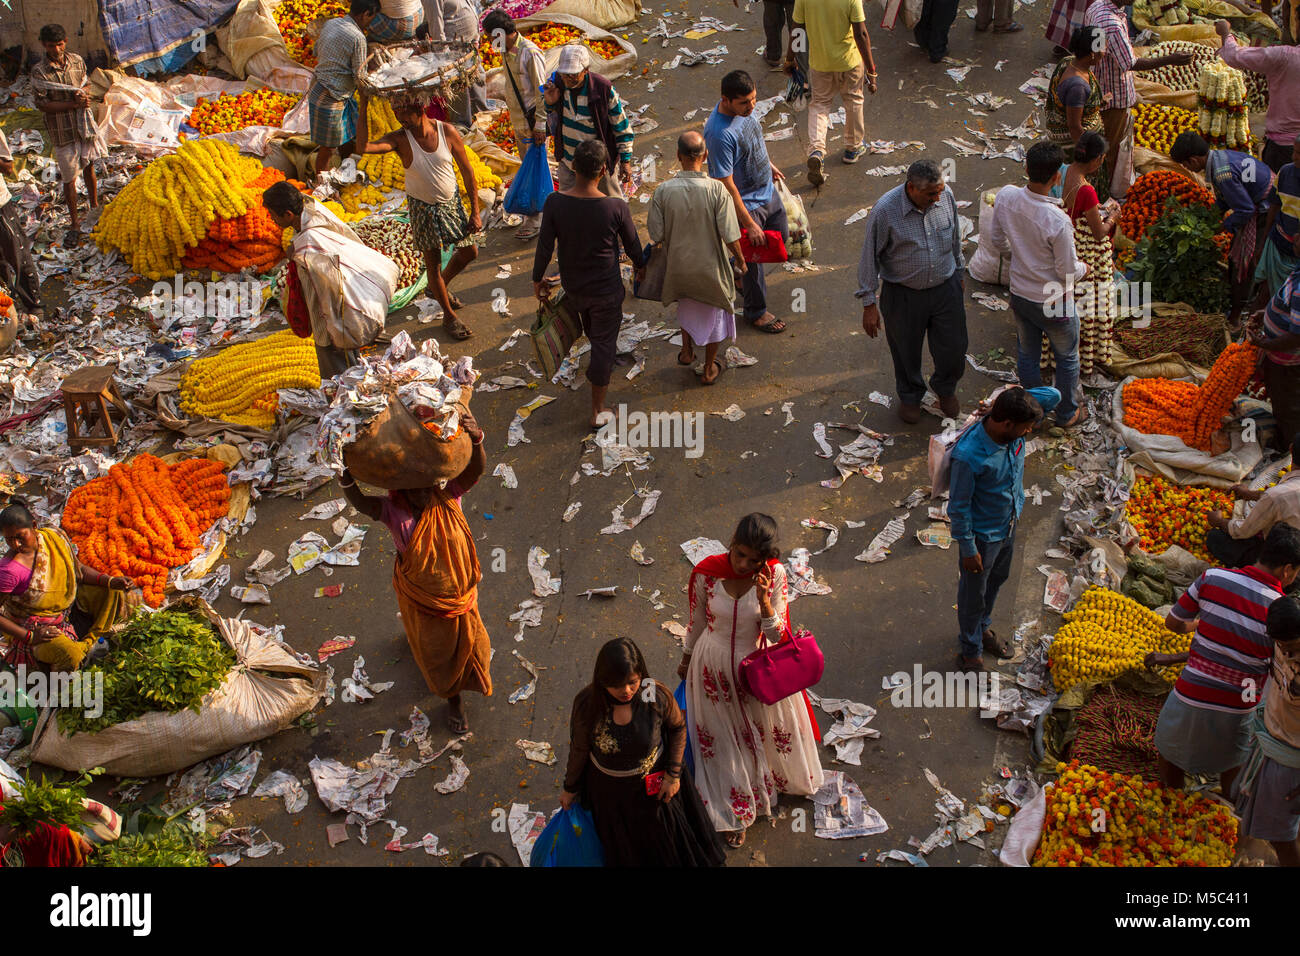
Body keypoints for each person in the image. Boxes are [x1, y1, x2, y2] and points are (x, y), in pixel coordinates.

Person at [339, 408, 491, 733]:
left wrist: (476, 438)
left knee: (474, 645)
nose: (423, 492)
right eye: (415, 488)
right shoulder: (394, 512)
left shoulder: (448, 496)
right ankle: (453, 700)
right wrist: (344, 475)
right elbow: (363, 504)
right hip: (425, 600)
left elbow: (475, 470)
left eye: (427, 485)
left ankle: (460, 687)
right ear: (401, 488)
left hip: (461, 595)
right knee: (437, 655)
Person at [676, 515, 823, 847]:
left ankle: (766, 785)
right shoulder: (707, 573)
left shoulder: (775, 575)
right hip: (711, 669)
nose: (743, 564)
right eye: (739, 554)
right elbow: (696, 621)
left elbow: (779, 635)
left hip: (756, 671)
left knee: (758, 734)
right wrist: (686, 659)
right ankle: (736, 810)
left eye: (752, 560)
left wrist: (764, 602)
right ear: (732, 543)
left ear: (764, 558)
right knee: (723, 742)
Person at [1145, 522, 1300, 795]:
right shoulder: (1281, 610)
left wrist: (1200, 624)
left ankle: (1172, 798)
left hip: (1191, 693)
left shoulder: (1213, 578)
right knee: (1234, 761)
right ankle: (1230, 803)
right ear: (1287, 570)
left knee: (1170, 752)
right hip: (1240, 703)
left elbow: (1173, 623)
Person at [561, 638, 725, 866]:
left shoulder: (653, 695)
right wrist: (570, 788)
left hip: (655, 795)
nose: (626, 691)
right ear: (602, 681)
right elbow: (579, 749)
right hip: (611, 798)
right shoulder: (589, 704)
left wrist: (673, 775)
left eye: (632, 682)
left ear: (641, 675)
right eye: (617, 685)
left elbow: (677, 728)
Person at [532, 139, 645, 428]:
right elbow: (633, 246)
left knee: (596, 333)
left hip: (575, 288)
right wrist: (642, 267)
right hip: (606, 291)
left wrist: (537, 279)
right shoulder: (615, 206)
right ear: (604, 170)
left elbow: (544, 246)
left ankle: (599, 363)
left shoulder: (555, 202)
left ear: (573, 167)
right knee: (604, 345)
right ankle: (597, 411)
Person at [949, 387, 1062, 669]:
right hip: (982, 539)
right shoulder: (969, 456)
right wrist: (968, 549)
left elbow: (1053, 395)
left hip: (1008, 524)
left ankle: (982, 628)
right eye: (1026, 427)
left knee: (997, 580)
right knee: (973, 595)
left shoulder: (1012, 430)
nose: (1029, 431)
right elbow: (958, 507)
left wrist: (996, 404)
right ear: (1008, 424)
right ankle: (971, 650)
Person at [357, 96, 481, 341]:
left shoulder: (447, 132)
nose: (400, 118)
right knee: (432, 264)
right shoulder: (400, 139)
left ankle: (437, 288)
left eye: (404, 112)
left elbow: (468, 173)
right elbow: (364, 147)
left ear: (420, 108)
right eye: (396, 112)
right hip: (422, 209)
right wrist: (363, 105)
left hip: (451, 204)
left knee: (470, 252)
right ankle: (448, 317)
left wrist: (475, 211)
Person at [857, 159, 967, 423]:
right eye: (930, 194)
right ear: (911, 188)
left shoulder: (946, 196)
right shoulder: (885, 210)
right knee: (905, 351)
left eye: (939, 191)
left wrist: (959, 272)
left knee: (954, 347)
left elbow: (955, 238)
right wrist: (869, 303)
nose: (937, 198)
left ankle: (945, 389)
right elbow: (869, 256)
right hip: (903, 294)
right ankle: (910, 396)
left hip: (946, 287)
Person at [988, 141, 1088, 429]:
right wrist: (1085, 268)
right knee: (1067, 358)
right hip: (1054, 301)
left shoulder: (1006, 196)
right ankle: (1067, 414)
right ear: (1057, 177)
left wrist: (1020, 258)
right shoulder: (1057, 220)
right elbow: (1067, 271)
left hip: (1021, 294)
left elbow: (997, 241)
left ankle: (1033, 415)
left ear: (1026, 168)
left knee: (1027, 354)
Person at [263, 181, 399, 378]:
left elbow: (327, 287)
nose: (272, 220)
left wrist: (296, 253)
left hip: (331, 316)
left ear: (288, 214)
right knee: (345, 355)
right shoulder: (312, 211)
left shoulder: (309, 243)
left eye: (274, 215)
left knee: (337, 365)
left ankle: (346, 390)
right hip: (337, 312)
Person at [647, 131, 747, 387]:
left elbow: (656, 234)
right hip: (710, 271)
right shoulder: (717, 190)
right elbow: (729, 234)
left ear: (678, 156)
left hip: (678, 269)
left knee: (686, 306)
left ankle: (686, 351)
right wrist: (741, 260)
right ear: (706, 156)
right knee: (715, 316)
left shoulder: (662, 191)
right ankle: (709, 368)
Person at [1, 500, 136, 672]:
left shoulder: (53, 538)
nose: (16, 545)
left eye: (20, 536)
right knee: (70, 655)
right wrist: (30, 636)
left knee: (111, 591)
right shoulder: (10, 570)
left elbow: (78, 570)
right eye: (9, 539)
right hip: (35, 626)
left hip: (65, 610)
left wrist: (110, 581)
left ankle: (90, 641)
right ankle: (58, 669)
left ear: (34, 526)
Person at [704, 70, 790, 336]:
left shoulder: (745, 112)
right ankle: (756, 312)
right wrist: (749, 223)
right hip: (747, 205)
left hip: (767, 191)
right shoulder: (718, 134)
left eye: (754, 99)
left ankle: (737, 271)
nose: (751, 106)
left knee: (782, 238)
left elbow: (753, 141)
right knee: (754, 261)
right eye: (744, 102)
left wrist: (768, 165)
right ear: (726, 100)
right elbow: (725, 185)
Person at [1085, 0, 1193, 199]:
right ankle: (1103, 192)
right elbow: (1130, 63)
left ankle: (1099, 184)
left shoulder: (1097, 6)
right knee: (1110, 147)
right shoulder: (1112, 25)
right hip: (1114, 94)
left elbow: (1101, 52)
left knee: (1103, 141)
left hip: (1101, 84)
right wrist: (1170, 59)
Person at [1172, 132, 1271, 326]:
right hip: (1257, 203)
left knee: (1244, 261)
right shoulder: (1219, 157)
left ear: (1193, 160)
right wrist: (1210, 217)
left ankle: (1238, 312)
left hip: (1265, 210)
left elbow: (1245, 210)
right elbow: (1226, 199)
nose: (1186, 169)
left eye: (1185, 165)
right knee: (1236, 257)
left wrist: (1221, 227)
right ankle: (1239, 300)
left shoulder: (1222, 173)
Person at [1234, 594, 1300, 866]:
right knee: (1268, 825)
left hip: (1291, 760)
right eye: (1280, 644)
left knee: (1282, 837)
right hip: (1269, 736)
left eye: (1292, 645)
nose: (1285, 651)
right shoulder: (1280, 640)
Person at [31, 23, 103, 246]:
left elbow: (86, 84)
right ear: (43, 45)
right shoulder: (40, 71)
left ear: (66, 42)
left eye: (60, 44)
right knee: (69, 178)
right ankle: (74, 223)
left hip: (82, 127)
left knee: (89, 167)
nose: (56, 50)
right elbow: (43, 104)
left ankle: (94, 208)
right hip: (62, 130)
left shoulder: (77, 61)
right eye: (51, 46)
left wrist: (83, 95)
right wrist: (72, 104)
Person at [790, 0, 877, 186]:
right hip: (849, 61)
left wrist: (790, 59)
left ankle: (816, 150)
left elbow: (797, 30)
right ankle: (853, 148)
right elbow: (861, 34)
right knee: (853, 101)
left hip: (820, 63)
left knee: (819, 105)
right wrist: (871, 70)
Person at [481, 9, 547, 240]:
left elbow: (542, 91)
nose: (490, 42)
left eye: (491, 37)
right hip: (518, 121)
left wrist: (540, 124)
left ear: (502, 33)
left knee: (535, 171)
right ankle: (536, 214)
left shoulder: (530, 53)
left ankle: (536, 220)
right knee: (528, 166)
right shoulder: (506, 52)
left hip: (531, 122)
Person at [1059, 132, 1119, 377]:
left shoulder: (1064, 171)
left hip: (1067, 241)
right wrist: (1113, 216)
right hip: (1084, 252)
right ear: (1097, 159)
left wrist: (1098, 209)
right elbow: (1098, 232)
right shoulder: (1087, 190)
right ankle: (1082, 358)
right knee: (1089, 306)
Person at [543, 45, 634, 198]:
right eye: (565, 74)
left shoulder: (602, 89)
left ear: (586, 70)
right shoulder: (558, 84)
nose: (568, 78)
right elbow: (549, 119)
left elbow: (621, 127)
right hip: (569, 161)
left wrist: (625, 161)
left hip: (598, 165)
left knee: (610, 201)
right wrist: (550, 103)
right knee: (569, 204)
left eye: (573, 75)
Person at [308, 0, 379, 184]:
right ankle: (321, 185)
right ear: (366, 14)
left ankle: (346, 168)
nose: (371, 23)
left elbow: (316, 50)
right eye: (372, 18)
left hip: (321, 89)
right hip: (330, 96)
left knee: (347, 136)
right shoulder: (358, 37)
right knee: (328, 148)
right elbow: (360, 76)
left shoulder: (331, 23)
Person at [1216, 19, 1300, 174]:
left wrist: (1225, 32)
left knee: (1281, 187)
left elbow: (1234, 55)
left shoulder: (1284, 56)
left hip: (1283, 148)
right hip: (1286, 146)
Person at [1208, 434, 1300, 567]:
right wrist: (1251, 494)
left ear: (1290, 449)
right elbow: (1285, 496)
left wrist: (1219, 521)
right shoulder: (1278, 494)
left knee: (1215, 538)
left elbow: (1242, 531)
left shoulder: (1275, 496)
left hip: (1288, 564)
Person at [1045, 26, 1111, 202]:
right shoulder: (1077, 87)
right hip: (1073, 143)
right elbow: (1074, 127)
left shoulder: (1069, 61)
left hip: (1075, 132)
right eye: (1103, 48)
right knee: (1077, 189)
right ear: (1092, 54)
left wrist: (1097, 102)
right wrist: (1089, 158)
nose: (1105, 52)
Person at [1246, 263, 1300, 453]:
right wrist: (1268, 312)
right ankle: (1283, 438)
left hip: (1288, 362)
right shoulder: (1298, 270)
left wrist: (1263, 344)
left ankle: (1289, 450)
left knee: (1289, 408)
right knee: (1280, 399)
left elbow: (1296, 337)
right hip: (1279, 358)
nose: (1293, 247)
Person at [423, 0, 487, 127]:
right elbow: (436, 27)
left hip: (470, 48)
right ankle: (464, 130)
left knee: (478, 86)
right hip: (453, 53)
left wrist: (476, 38)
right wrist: (445, 57)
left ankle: (483, 124)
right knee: (460, 96)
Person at [1254, 135, 1300, 301]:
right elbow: (1274, 206)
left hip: (1297, 252)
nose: (1294, 157)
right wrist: (1263, 241)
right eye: (1294, 151)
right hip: (1279, 244)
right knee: (1266, 294)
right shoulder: (1286, 172)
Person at [0, 134, 40, 317]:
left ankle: (34, 303)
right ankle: (9, 302)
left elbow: (8, 168)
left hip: (1, 207)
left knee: (17, 255)